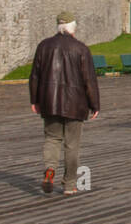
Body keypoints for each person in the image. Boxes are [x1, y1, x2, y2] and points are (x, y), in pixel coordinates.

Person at [29, 14, 100, 196]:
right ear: (73, 28)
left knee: (52, 139)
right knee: (72, 144)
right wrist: (95, 104)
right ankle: (69, 184)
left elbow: (35, 76)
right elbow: (89, 80)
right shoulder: (81, 49)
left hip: (49, 102)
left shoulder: (44, 46)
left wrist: (35, 100)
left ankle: (50, 169)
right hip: (75, 104)